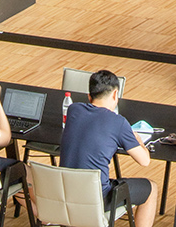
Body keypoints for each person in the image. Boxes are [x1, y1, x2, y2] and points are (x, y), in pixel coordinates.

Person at [60, 69, 157, 227]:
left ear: (89, 95)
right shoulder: (118, 122)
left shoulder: (73, 110)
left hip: (66, 191)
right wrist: (138, 141)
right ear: (115, 94)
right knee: (151, 188)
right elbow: (144, 161)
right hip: (96, 198)